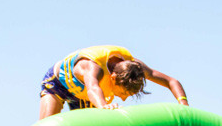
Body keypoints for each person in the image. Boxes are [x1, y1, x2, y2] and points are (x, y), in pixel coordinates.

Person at [39, 45, 188, 119]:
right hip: (58, 84)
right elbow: (93, 88)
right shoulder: (94, 68)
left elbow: (171, 81)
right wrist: (104, 106)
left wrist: (183, 104)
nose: (123, 99)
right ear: (113, 78)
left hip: (83, 96)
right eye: (123, 93)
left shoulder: (135, 67)